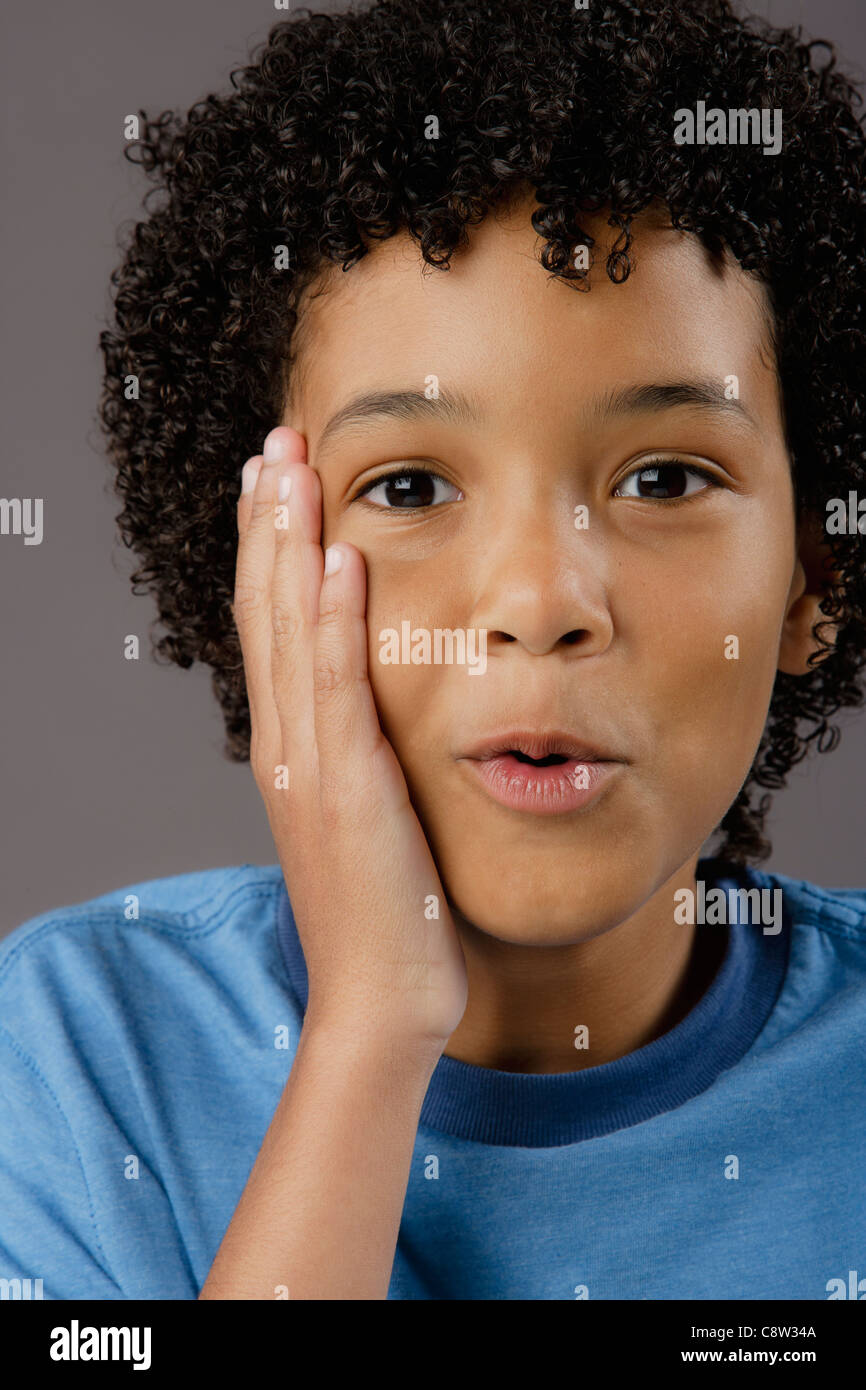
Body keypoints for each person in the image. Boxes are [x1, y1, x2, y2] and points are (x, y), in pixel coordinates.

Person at [2, 0, 865, 1301]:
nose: (539, 598)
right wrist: (369, 1030)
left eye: (668, 474)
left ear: (813, 574)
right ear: (254, 570)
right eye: (407, 488)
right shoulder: (66, 1058)